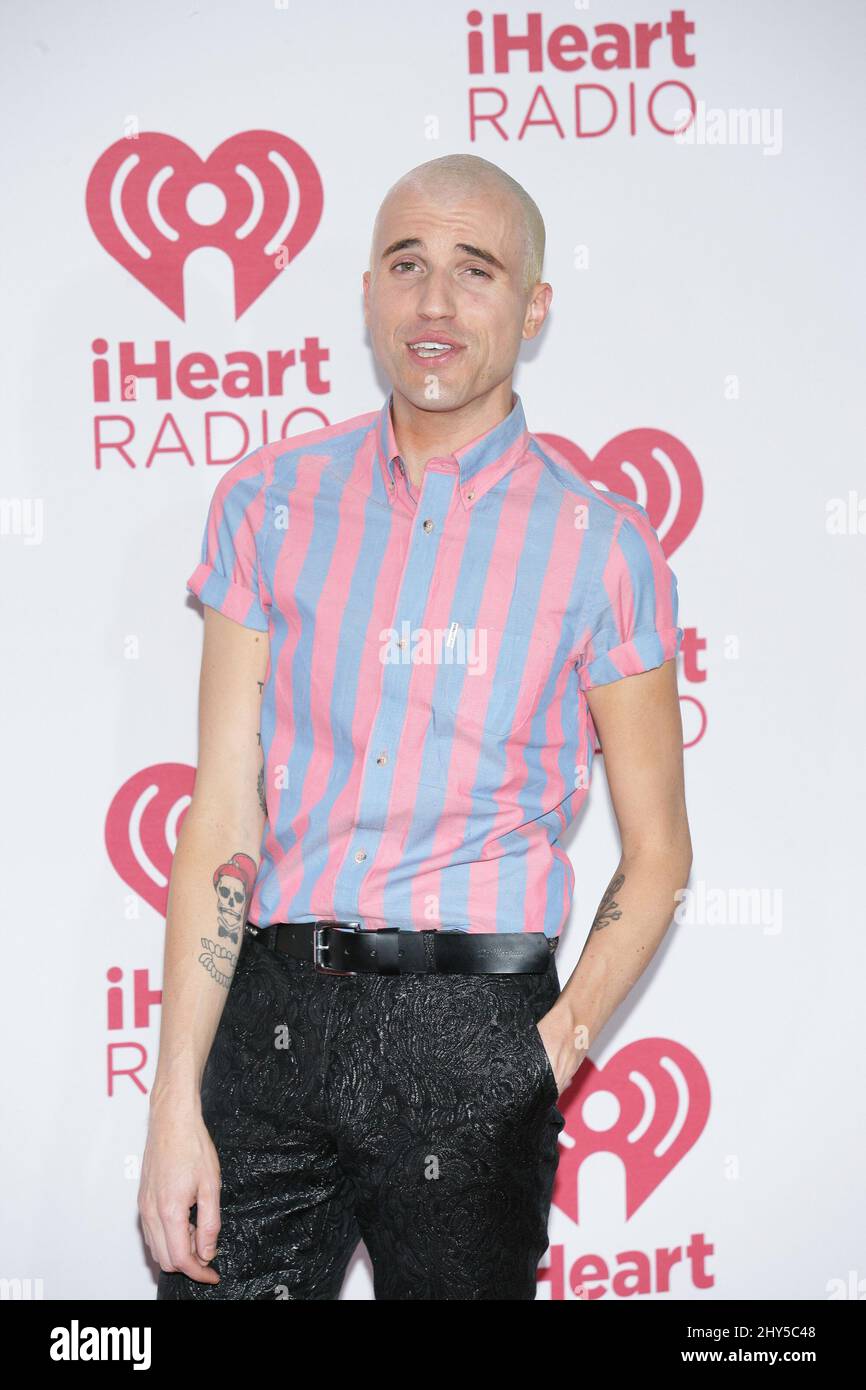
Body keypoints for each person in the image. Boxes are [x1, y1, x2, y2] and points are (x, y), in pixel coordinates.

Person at [140, 153, 692, 1301]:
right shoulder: (268, 502)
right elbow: (223, 817)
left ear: (532, 306)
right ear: (368, 292)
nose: (434, 302)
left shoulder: (601, 544)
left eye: (473, 269)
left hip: (476, 1031)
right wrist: (174, 1102)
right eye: (407, 265)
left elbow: (658, 850)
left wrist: (544, 1050)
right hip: (274, 1021)